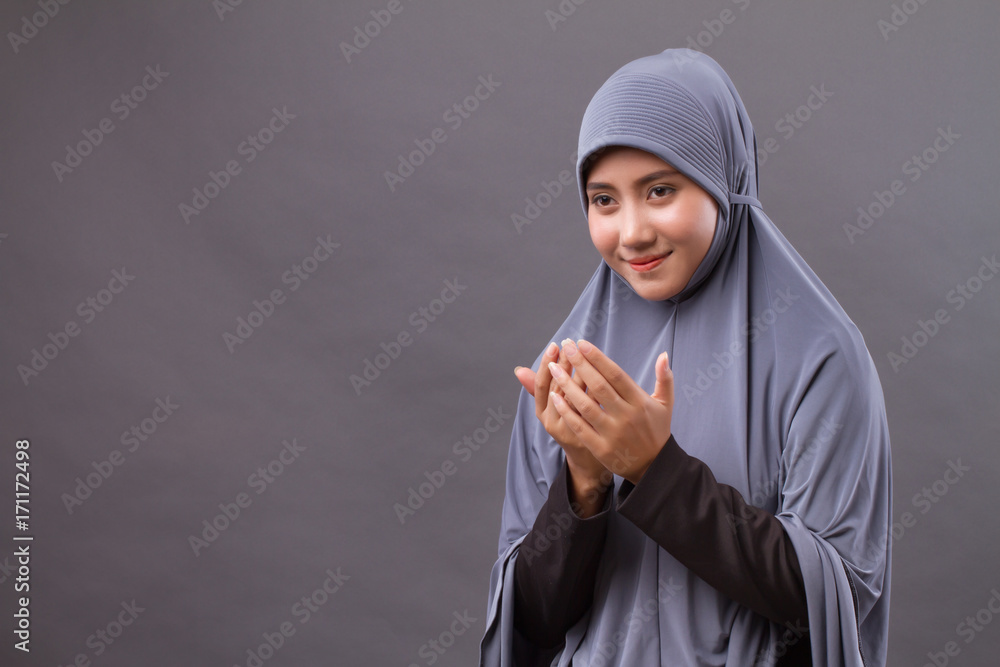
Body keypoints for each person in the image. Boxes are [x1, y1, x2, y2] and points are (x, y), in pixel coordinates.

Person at [479, 48, 892, 666]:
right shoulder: (568, 367)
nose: (632, 232)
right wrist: (585, 488)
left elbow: (827, 598)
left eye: (661, 190)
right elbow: (533, 622)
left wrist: (655, 469)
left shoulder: (822, 359)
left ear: (725, 181)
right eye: (604, 200)